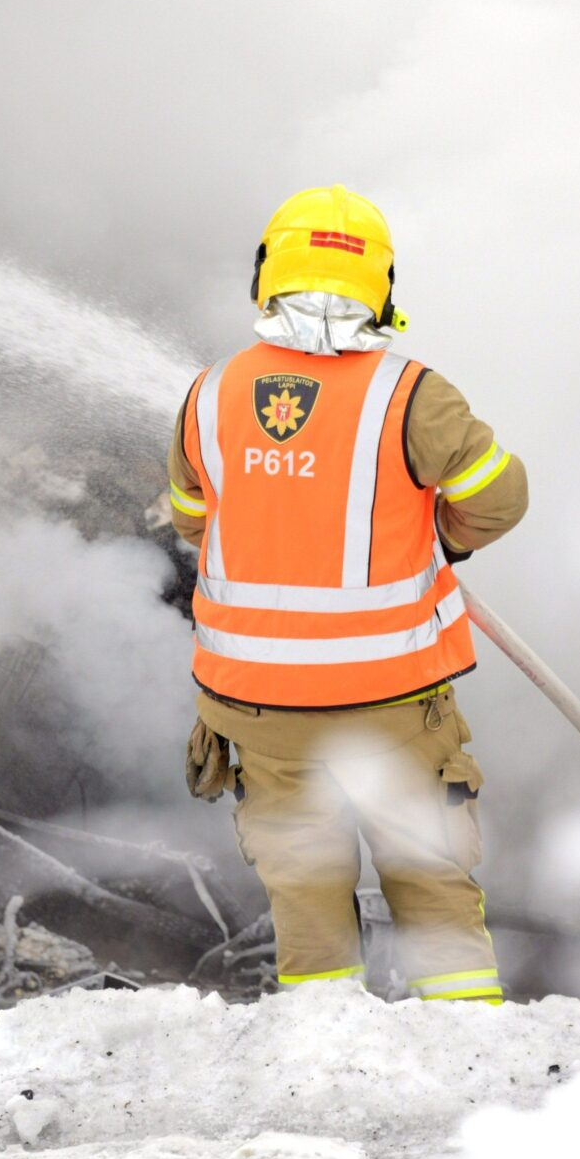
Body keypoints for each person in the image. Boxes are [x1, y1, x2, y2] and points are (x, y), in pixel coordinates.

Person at [166, 185, 527, 1003]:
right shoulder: (414, 395)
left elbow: (194, 517)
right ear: (382, 286)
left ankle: (329, 1058)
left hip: (260, 710)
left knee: (305, 884)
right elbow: (500, 497)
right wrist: (443, 533)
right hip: (392, 705)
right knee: (428, 876)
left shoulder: (209, 394)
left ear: (266, 274)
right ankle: (471, 1061)